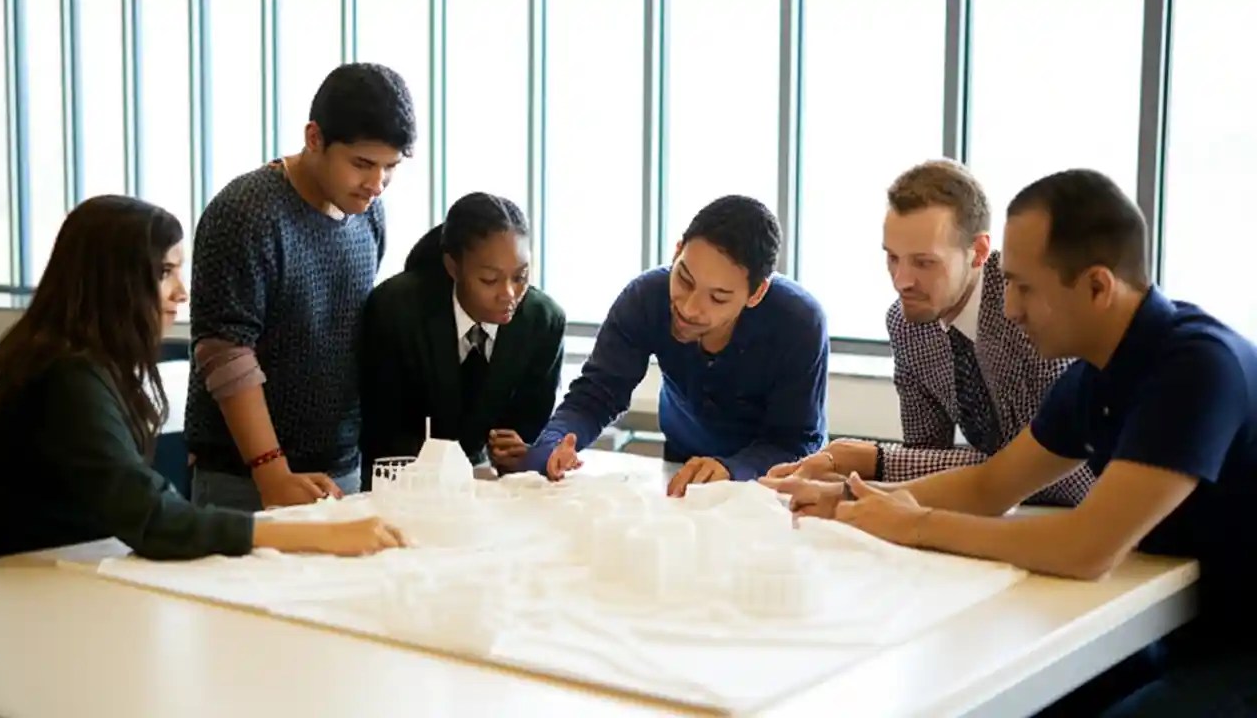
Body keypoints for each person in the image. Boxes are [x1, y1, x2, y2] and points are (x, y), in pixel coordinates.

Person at [764, 169, 1257, 715]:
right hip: (1186, 621)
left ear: (1097, 286)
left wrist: (919, 524)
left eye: (1024, 287)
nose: (1010, 307)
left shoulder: (1195, 366)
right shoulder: (1093, 378)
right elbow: (990, 485)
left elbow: (1088, 548)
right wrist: (855, 502)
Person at [0, 196, 404, 560]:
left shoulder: (88, 364)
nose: (182, 292)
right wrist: (316, 536)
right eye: (165, 272)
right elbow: (153, 517)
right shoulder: (67, 379)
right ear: (113, 281)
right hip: (19, 585)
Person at [769, 159, 1093, 506]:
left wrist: (871, 461)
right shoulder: (907, 322)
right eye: (892, 257)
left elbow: (1048, 472)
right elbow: (925, 456)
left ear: (979, 252)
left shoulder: (1028, 309)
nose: (901, 281)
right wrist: (856, 474)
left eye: (924, 263)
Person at [186, 62, 416, 511]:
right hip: (245, 477)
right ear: (314, 139)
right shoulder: (247, 212)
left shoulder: (367, 210)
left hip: (340, 468)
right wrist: (271, 470)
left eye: (390, 168)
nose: (376, 184)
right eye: (362, 164)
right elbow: (225, 352)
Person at [520, 195, 828, 496]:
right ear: (677, 251)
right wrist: (553, 444)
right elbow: (597, 393)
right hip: (683, 462)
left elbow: (795, 442)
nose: (690, 308)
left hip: (771, 481)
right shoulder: (646, 297)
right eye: (685, 279)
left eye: (718, 297)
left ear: (756, 293)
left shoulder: (799, 323)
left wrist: (731, 470)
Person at [359, 192, 566, 481]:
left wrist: (524, 452)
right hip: (403, 482)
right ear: (453, 267)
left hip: (492, 490)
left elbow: (532, 425)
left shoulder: (543, 322)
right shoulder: (396, 309)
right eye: (490, 280)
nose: (509, 294)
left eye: (520, 277)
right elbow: (380, 428)